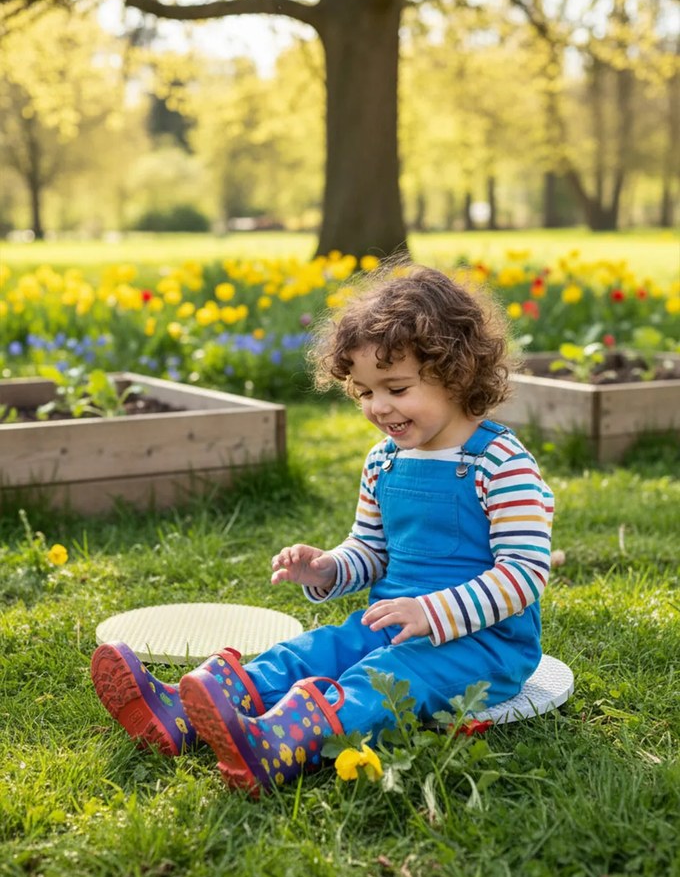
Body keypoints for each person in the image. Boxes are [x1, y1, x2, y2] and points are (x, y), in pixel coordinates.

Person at [91, 263, 554, 795]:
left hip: (484, 646)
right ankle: (185, 713)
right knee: (313, 651)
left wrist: (430, 612)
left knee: (383, 681)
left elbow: (524, 575)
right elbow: (373, 551)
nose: (379, 408)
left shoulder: (501, 462)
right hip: (389, 623)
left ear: (457, 371)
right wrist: (330, 566)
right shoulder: (384, 461)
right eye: (363, 393)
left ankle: (285, 741)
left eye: (396, 388)